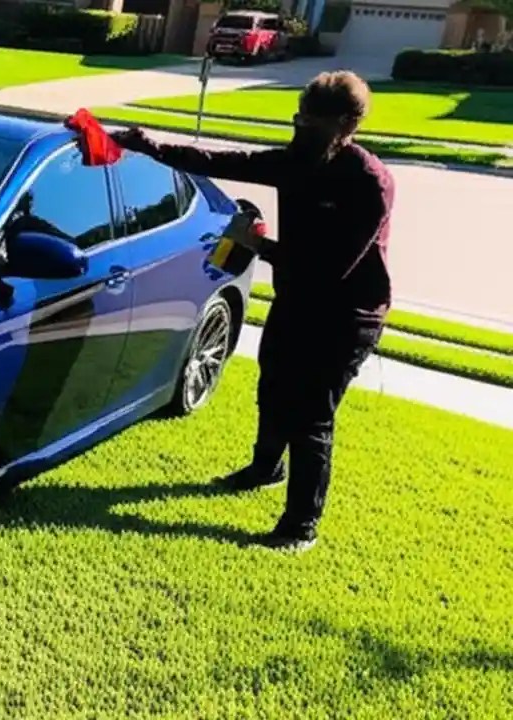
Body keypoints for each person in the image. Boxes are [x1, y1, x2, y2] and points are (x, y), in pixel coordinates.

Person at [110, 70, 394, 552]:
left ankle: (300, 528)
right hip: (296, 301)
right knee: (272, 385)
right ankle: (265, 469)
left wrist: (257, 244)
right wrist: (146, 145)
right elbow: (223, 159)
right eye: (298, 118)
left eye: (313, 122)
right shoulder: (298, 160)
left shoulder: (370, 183)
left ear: (346, 125)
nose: (301, 128)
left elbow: (331, 268)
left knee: (311, 417)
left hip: (347, 315)